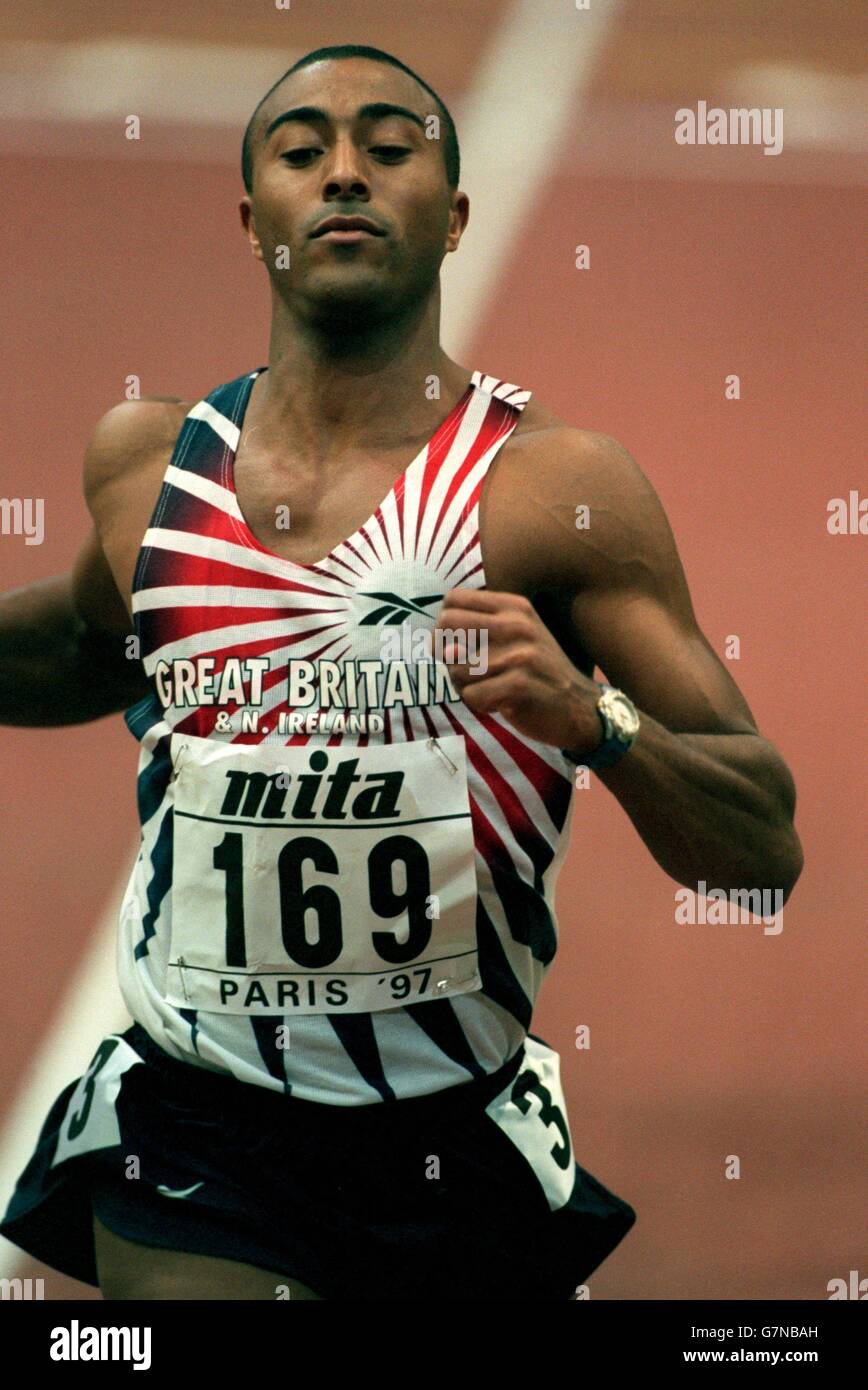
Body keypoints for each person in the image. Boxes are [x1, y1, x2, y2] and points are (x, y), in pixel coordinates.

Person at [0, 44, 802, 1301]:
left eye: (389, 146)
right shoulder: (149, 469)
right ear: (251, 213)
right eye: (302, 150)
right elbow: (70, 647)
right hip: (192, 1128)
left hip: (453, 1145)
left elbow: (760, 853)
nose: (344, 176)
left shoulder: (554, 493)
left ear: (454, 214)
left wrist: (595, 722)